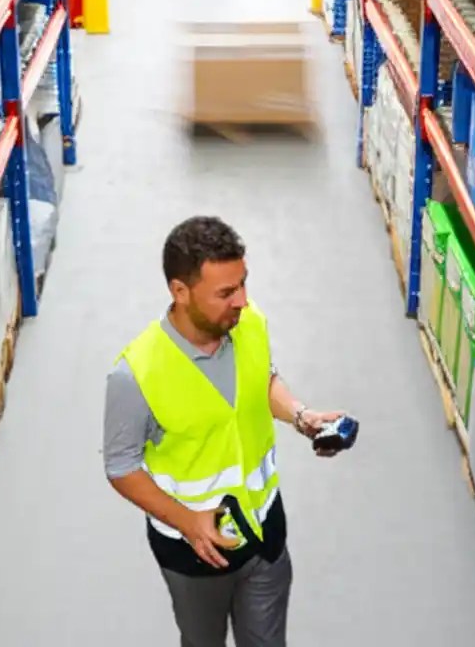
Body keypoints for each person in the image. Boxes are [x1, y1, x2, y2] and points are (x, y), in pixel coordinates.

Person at [103, 215, 344, 647]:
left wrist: (300, 415)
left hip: (265, 531)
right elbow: (121, 466)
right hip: (195, 551)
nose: (242, 301)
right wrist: (188, 522)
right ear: (180, 291)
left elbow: (262, 381)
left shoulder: (250, 324)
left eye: (244, 284)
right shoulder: (136, 373)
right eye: (226, 292)